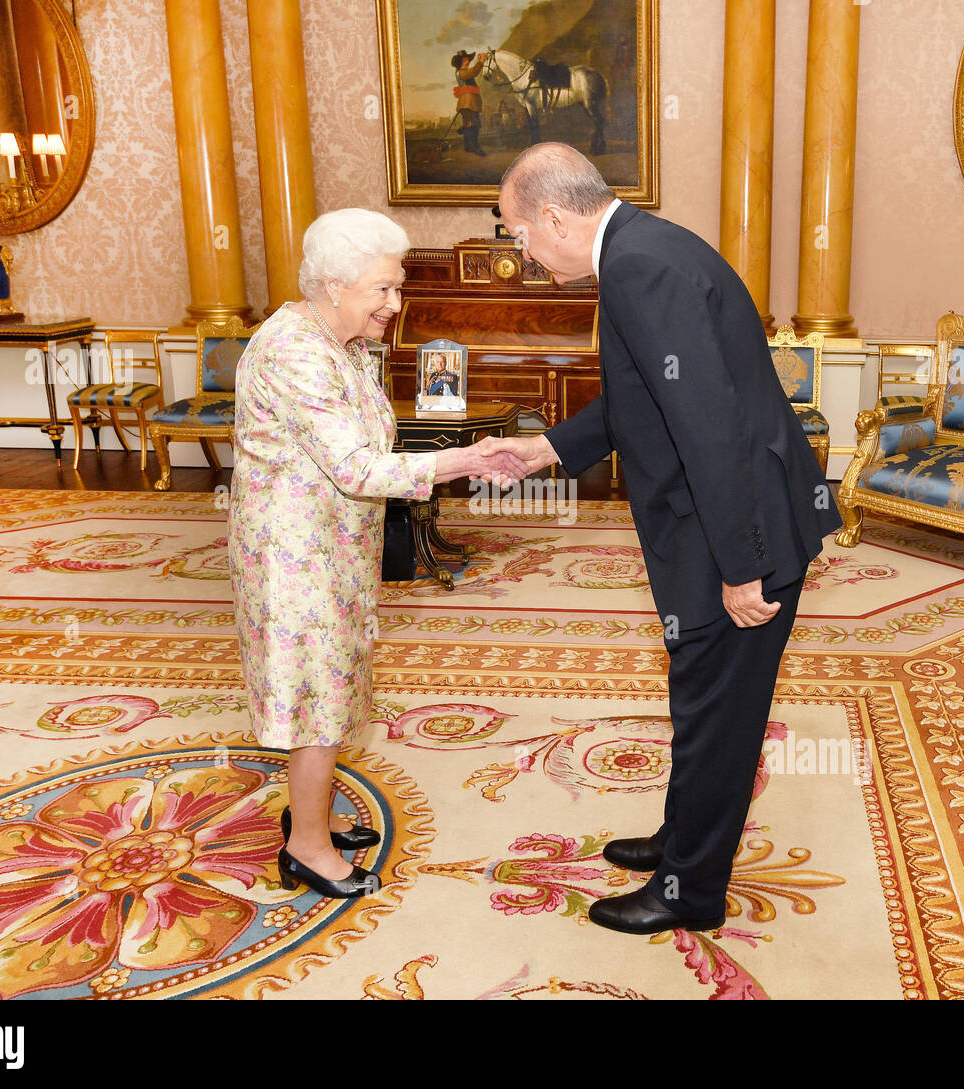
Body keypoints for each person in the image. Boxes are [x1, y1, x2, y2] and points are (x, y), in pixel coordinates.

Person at [483, 143, 842, 935]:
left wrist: (743, 567)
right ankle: (681, 839)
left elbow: (711, 430)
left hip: (739, 535)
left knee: (720, 714)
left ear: (553, 217)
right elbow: (643, 398)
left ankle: (691, 889)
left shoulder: (639, 268)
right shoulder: (643, 248)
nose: (522, 253)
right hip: (729, 521)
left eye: (518, 236)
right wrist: (550, 449)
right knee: (701, 703)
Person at [229, 208, 526, 900]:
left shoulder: (343, 339)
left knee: (336, 685)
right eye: (382, 290)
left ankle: (313, 812)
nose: (395, 304)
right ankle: (306, 845)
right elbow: (359, 468)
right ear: (333, 286)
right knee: (317, 698)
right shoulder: (295, 351)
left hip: (336, 544)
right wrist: (466, 460)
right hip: (294, 556)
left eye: (397, 288)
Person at [451, 50, 489, 157]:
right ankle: (476, 148)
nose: (467, 62)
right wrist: (480, 62)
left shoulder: (463, 72)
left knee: (469, 124)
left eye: (467, 60)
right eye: (464, 61)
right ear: (460, 63)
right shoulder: (462, 72)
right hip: (468, 103)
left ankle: (467, 146)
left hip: (469, 103)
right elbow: (474, 72)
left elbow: (472, 72)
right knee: (474, 125)